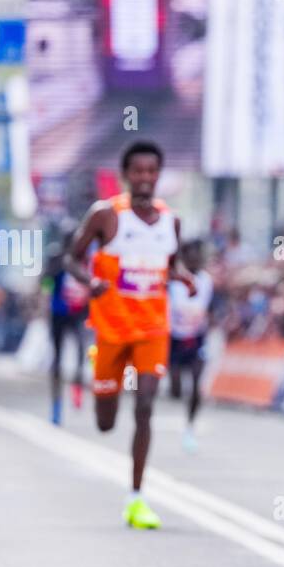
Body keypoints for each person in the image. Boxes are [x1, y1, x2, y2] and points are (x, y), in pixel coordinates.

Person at [67, 141, 196, 529]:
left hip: (153, 328)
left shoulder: (171, 221)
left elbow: (168, 264)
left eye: (151, 171)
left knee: (144, 406)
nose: (144, 178)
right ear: (126, 175)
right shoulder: (106, 215)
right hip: (110, 329)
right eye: (137, 171)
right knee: (106, 420)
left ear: (159, 175)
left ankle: (136, 497)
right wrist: (88, 280)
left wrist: (182, 276)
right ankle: (103, 393)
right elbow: (71, 257)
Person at [168, 239, 218, 453]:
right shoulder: (173, 282)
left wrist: (212, 321)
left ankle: (189, 428)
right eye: (192, 255)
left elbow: (212, 307)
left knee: (197, 386)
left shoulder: (207, 281)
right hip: (174, 340)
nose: (197, 259)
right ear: (184, 258)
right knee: (176, 389)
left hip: (197, 340)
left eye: (200, 255)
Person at [44, 239, 91, 425]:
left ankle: (77, 387)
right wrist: (46, 294)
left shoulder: (86, 260)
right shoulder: (57, 259)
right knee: (57, 359)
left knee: (81, 350)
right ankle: (56, 404)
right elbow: (45, 281)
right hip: (59, 315)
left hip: (79, 314)